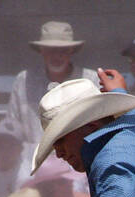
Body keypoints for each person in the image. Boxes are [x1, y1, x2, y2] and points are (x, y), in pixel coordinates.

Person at [6, 21, 98, 149]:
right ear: (41, 51)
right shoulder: (24, 80)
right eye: (51, 50)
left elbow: (99, 126)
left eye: (63, 50)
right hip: (32, 161)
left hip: (77, 161)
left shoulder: (91, 80)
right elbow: (12, 127)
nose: (56, 56)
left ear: (71, 51)